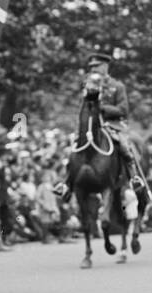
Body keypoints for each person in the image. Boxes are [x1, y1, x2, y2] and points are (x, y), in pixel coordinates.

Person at [54, 50, 146, 197]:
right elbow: (83, 107)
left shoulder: (117, 86)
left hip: (113, 125)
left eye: (97, 66)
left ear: (105, 67)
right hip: (92, 125)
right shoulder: (88, 86)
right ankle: (66, 183)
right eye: (92, 67)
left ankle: (133, 178)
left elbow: (123, 109)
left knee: (124, 146)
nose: (93, 70)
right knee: (71, 147)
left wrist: (103, 109)